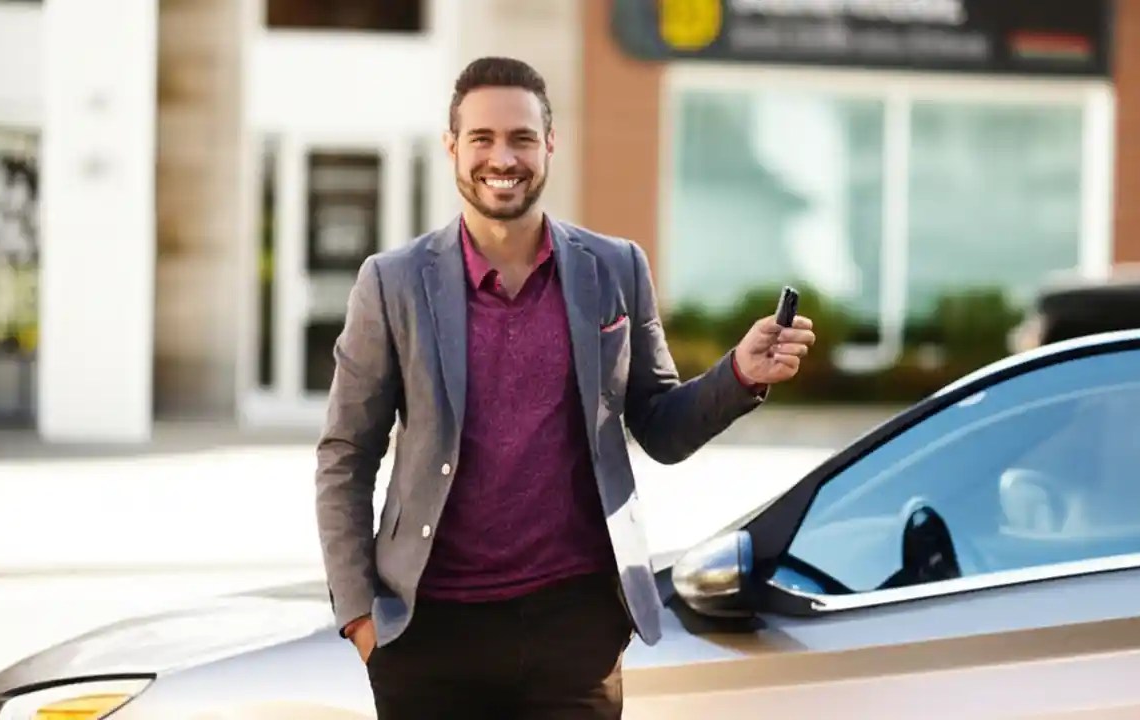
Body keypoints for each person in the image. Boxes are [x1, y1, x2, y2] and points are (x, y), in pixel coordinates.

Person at [314, 56, 817, 719]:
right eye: (482, 139)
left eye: (522, 138)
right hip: (430, 634)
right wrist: (359, 617)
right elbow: (345, 455)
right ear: (452, 149)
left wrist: (740, 375)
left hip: (572, 632)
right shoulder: (393, 283)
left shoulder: (615, 268)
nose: (503, 157)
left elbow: (661, 426)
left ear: (549, 145)